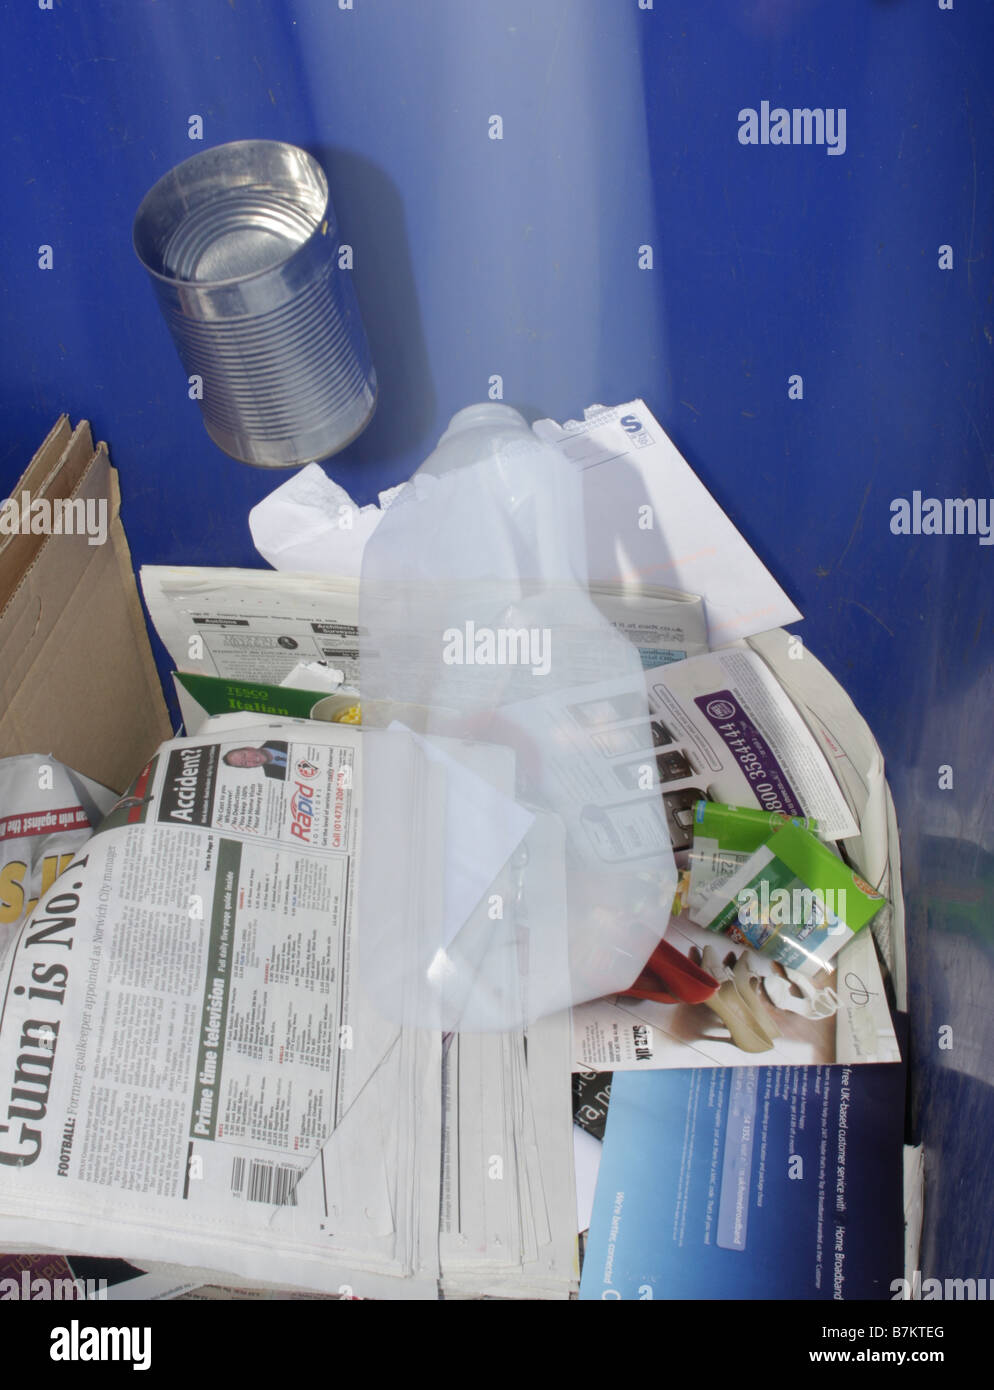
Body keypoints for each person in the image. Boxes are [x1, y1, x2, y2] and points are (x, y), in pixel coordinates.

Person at [222, 741, 289, 780]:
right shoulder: (272, 775)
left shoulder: (276, 739)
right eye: (244, 763)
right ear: (247, 768)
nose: (250, 760)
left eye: (244, 755)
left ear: (249, 748)